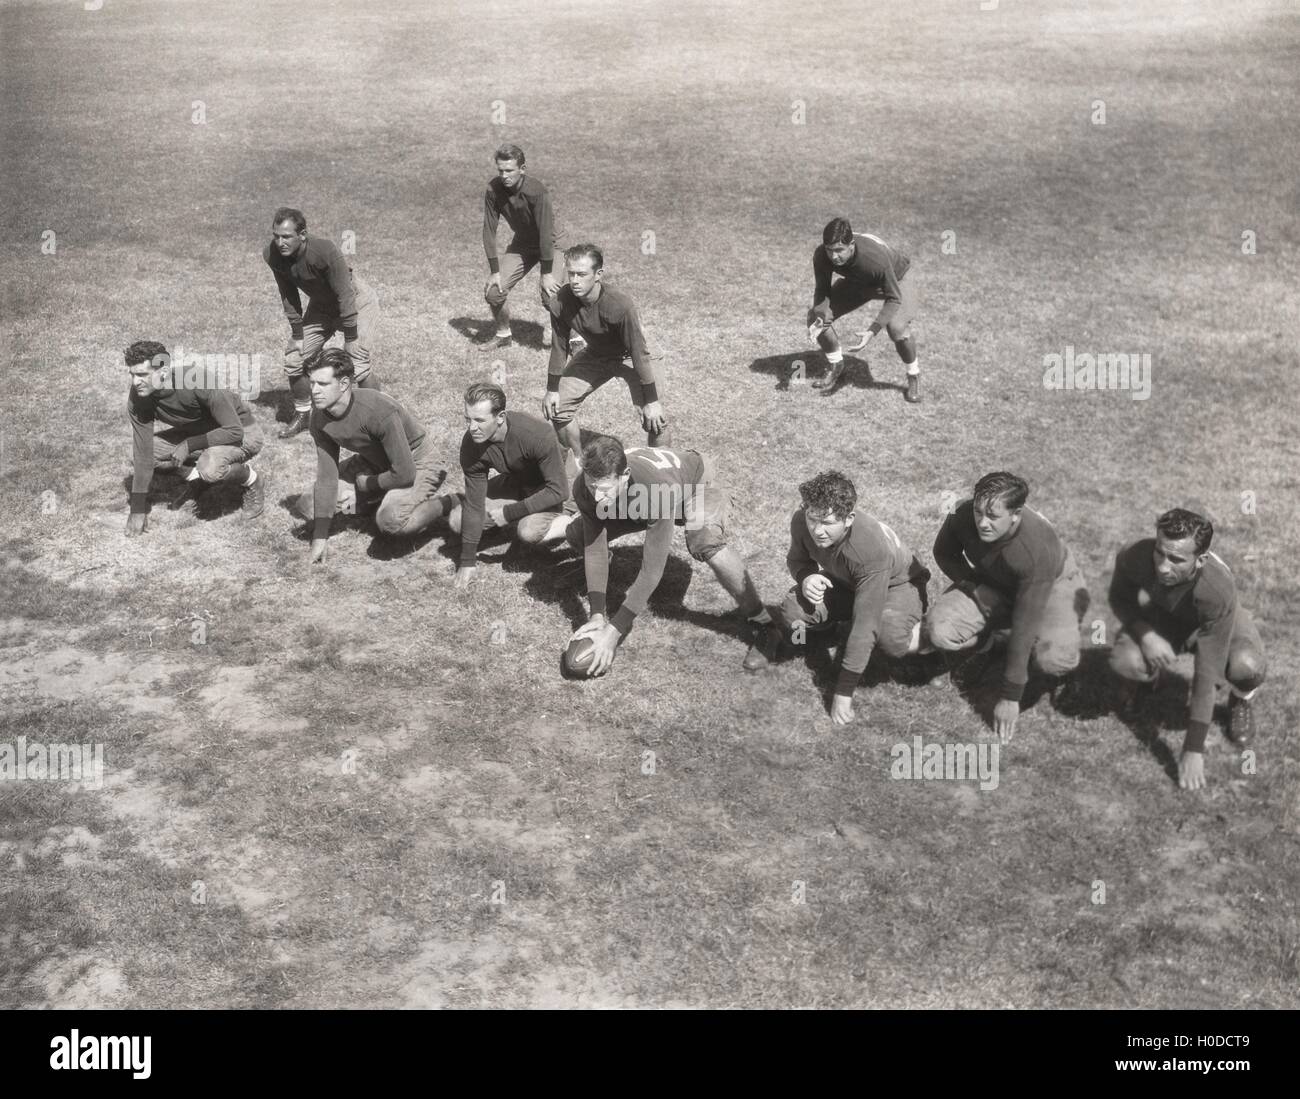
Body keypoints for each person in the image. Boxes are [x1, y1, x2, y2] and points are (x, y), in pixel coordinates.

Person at [566, 435, 774, 674]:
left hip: (695, 483)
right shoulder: (587, 487)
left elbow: (652, 569)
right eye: (592, 487)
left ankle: (765, 623)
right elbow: (594, 547)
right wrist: (596, 616)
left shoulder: (655, 491)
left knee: (703, 539)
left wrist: (615, 630)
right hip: (640, 497)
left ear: (624, 477)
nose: (596, 497)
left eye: (603, 489)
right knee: (578, 535)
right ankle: (604, 577)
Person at [1108, 508, 1267, 790]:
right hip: (1169, 618)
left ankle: (1240, 699)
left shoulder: (1217, 590)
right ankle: (1152, 676)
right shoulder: (1135, 554)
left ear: (1201, 559)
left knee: (1246, 666)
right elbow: (1119, 599)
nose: (1162, 567)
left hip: (1213, 621)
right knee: (1126, 660)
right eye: (1160, 552)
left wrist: (1194, 748)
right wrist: (1146, 636)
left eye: (1176, 559)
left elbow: (1208, 670)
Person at [924, 472, 1088, 743]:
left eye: (992, 516)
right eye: (978, 511)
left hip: (1052, 586)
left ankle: (1044, 636)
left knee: (1055, 660)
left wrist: (1011, 696)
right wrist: (976, 586)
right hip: (998, 578)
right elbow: (944, 553)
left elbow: (1026, 622)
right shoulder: (962, 513)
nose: (982, 522)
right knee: (940, 630)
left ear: (1016, 514)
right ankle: (991, 640)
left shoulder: (1036, 550)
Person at [778, 471, 931, 725]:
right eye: (812, 518)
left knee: (889, 639)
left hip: (898, 585)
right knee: (793, 611)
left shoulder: (870, 549)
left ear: (848, 519)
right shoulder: (801, 521)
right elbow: (797, 560)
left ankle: (932, 635)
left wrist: (843, 692)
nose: (817, 530)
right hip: (849, 580)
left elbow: (865, 624)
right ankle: (825, 633)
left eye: (827, 523)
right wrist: (806, 577)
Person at [292, 350, 446, 562]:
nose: (314, 391)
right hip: (374, 461)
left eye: (323, 384)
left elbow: (405, 473)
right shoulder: (319, 417)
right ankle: (375, 499)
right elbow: (327, 477)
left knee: (390, 521)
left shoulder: (378, 411)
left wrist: (368, 484)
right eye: (312, 383)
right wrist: (320, 537)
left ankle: (447, 504)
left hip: (416, 460)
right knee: (308, 505)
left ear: (344, 383)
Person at [543, 244, 668, 469]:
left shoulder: (619, 305)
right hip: (597, 353)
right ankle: (579, 466)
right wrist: (552, 389)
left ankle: (662, 469)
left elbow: (639, 353)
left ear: (598, 275)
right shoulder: (560, 301)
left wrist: (651, 401)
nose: (574, 280)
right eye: (571, 273)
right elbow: (559, 346)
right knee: (558, 408)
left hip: (634, 355)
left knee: (655, 420)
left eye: (582, 274)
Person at [124, 340, 264, 534]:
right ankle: (197, 479)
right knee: (139, 455)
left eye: (142, 375)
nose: (135, 382)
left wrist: (189, 445)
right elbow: (143, 452)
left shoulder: (196, 379)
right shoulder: (139, 396)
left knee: (211, 468)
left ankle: (251, 480)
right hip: (198, 432)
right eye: (132, 374)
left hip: (243, 432)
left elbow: (234, 430)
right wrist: (138, 509)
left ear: (163, 372)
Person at [441, 383, 571, 590]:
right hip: (517, 480)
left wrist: (509, 513)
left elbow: (559, 490)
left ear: (500, 417)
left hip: (555, 482)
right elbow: (474, 503)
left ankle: (574, 520)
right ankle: (507, 519)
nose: (471, 428)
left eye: (479, 420)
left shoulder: (536, 435)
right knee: (458, 520)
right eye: (468, 419)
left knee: (528, 531)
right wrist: (467, 561)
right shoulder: (471, 443)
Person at [265, 206, 380, 438]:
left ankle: (376, 419)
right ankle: (304, 415)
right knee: (294, 358)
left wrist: (350, 338)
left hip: (356, 301)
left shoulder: (325, 251)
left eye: (286, 236)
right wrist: (298, 335)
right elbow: (288, 294)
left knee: (357, 362)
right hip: (321, 305)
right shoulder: (272, 254)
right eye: (276, 236)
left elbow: (346, 295)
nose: (280, 242)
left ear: (303, 235)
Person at [808, 217, 922, 403]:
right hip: (860, 282)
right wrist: (821, 315)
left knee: (897, 328)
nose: (833, 256)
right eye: (830, 250)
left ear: (851, 245)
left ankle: (913, 373)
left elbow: (894, 298)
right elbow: (822, 290)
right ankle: (837, 366)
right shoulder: (822, 255)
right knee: (815, 317)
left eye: (839, 250)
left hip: (898, 280)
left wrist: (872, 330)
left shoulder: (874, 259)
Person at [481, 144, 563, 350]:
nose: (504, 176)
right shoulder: (493, 190)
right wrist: (494, 271)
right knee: (494, 292)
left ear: (522, 169)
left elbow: (545, 234)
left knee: (550, 296)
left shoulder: (537, 191)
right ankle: (503, 334)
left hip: (552, 244)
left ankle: (575, 338)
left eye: (509, 170)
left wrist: (546, 274)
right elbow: (489, 230)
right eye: (500, 170)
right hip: (523, 244)